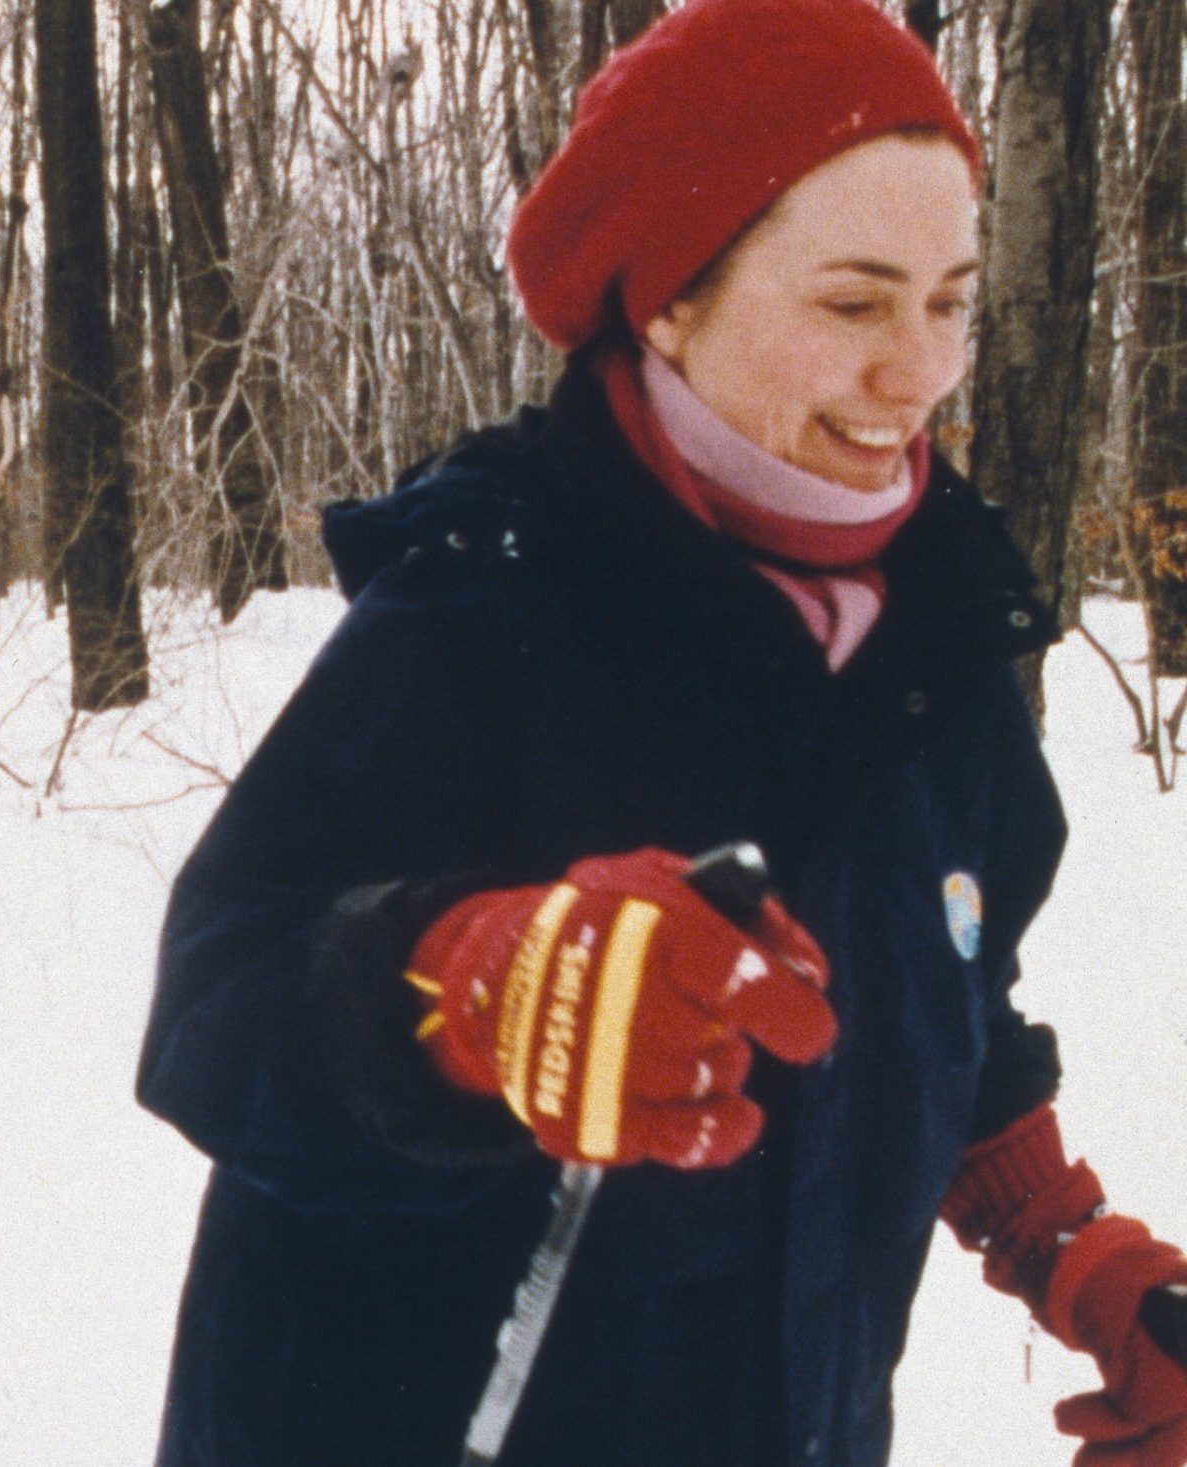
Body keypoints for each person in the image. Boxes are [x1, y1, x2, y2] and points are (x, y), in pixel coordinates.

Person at [135, 2, 1187, 1465]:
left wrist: (1066, 1243)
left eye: (951, 298)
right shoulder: (488, 603)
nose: (921, 369)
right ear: (670, 304)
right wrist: (473, 992)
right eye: (855, 300)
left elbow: (934, 997)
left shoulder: (934, 644)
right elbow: (217, 1006)